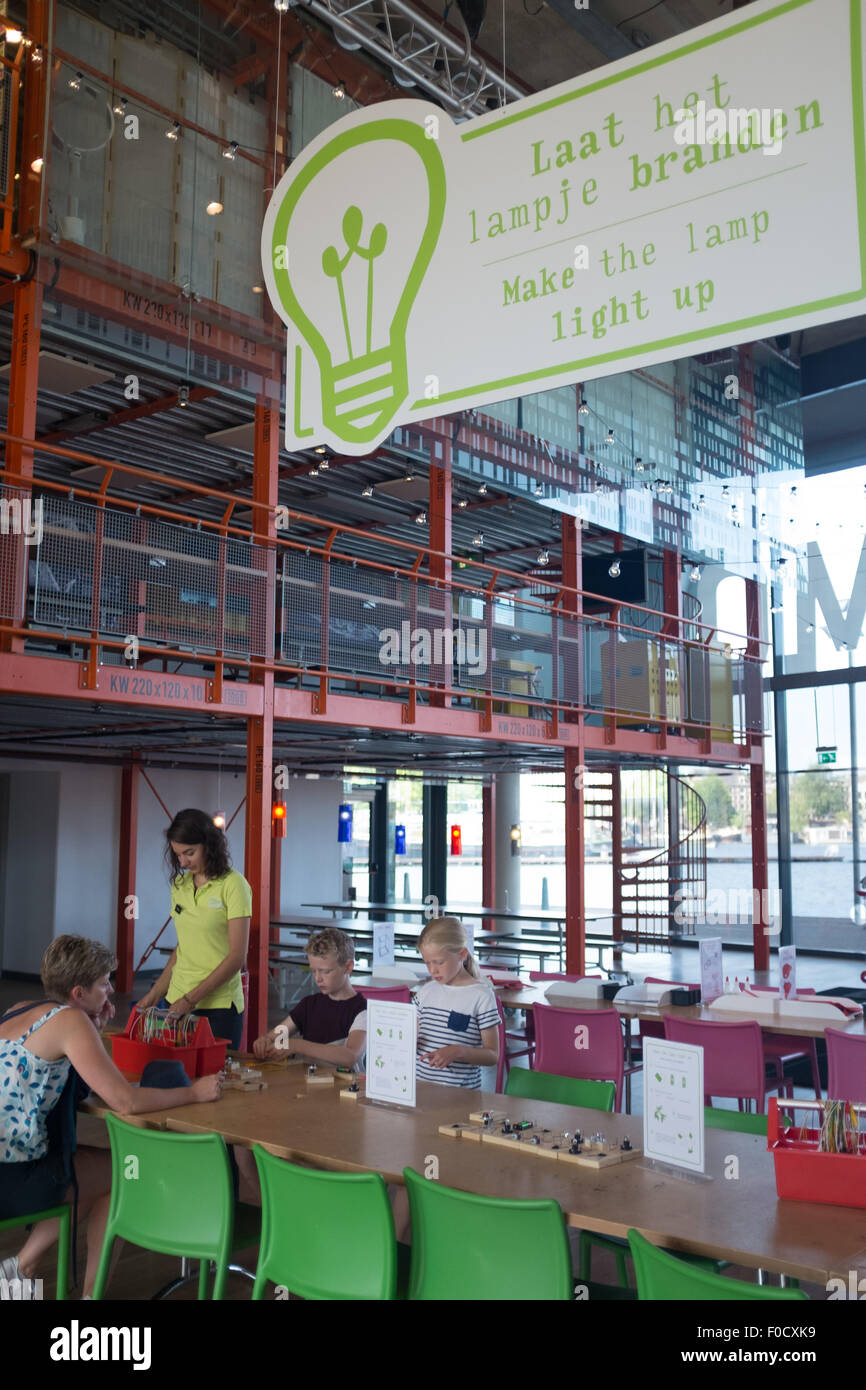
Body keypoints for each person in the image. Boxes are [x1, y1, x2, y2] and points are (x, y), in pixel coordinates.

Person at [0, 935, 221, 1298]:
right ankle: (71, 1287)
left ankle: (23, 1268)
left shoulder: (22, 1008)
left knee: (101, 1170)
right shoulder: (71, 1021)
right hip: (16, 1176)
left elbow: (60, 1078)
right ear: (77, 993)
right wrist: (195, 1092)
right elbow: (125, 1101)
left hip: (6, 1164)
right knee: (125, 1171)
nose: (111, 990)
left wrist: (94, 1030)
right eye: (104, 983)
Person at [137, 808, 252, 1050]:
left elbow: (236, 958)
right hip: (176, 1000)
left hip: (219, 1006)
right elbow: (183, 948)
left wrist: (190, 1000)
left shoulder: (234, 885)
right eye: (178, 855)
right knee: (175, 1078)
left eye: (190, 853)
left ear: (209, 845)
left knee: (215, 1082)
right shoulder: (180, 884)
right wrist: (156, 993)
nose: (183, 862)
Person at [252, 926, 367, 1068]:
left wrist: (297, 1045)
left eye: (325, 971)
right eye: (313, 971)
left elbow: (350, 1056)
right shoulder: (309, 1004)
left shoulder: (362, 1011)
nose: (318, 978)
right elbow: (280, 1033)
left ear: (348, 967)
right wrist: (266, 1040)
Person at [415, 916, 499, 1087]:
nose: (433, 970)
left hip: (462, 1097)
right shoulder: (425, 992)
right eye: (427, 963)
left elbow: (493, 1055)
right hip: (420, 1091)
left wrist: (459, 1051)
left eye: (439, 962)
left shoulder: (481, 996)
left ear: (462, 954)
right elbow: (413, 1037)